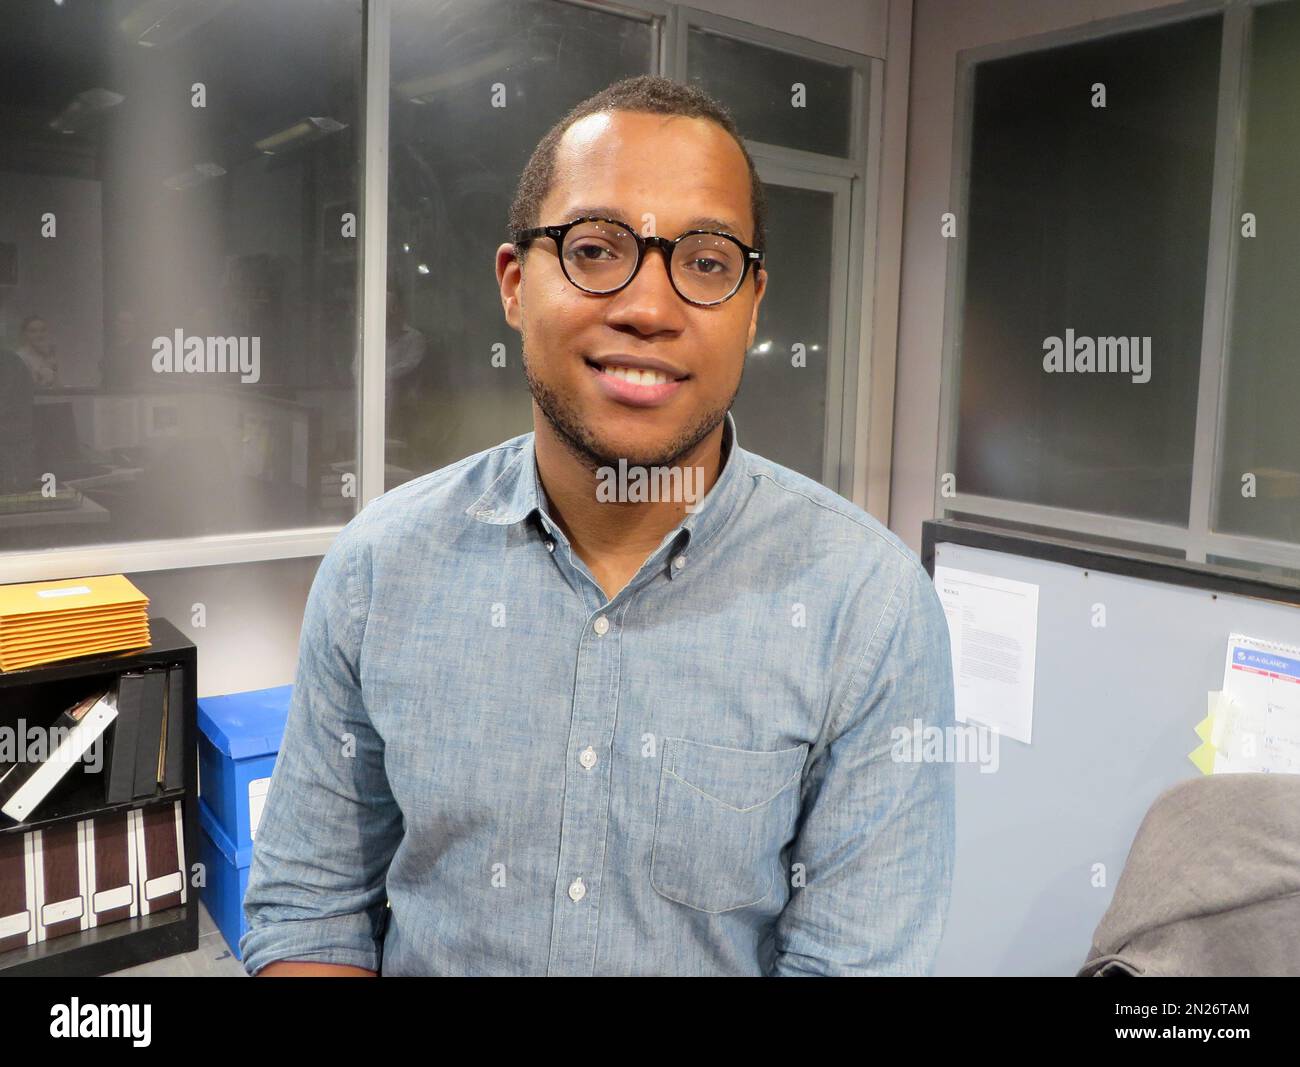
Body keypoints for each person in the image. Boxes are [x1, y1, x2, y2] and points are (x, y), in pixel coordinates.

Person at [241, 75, 955, 977]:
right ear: (513, 282)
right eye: (594, 248)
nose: (649, 308)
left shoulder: (868, 607)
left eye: (704, 261)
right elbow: (311, 908)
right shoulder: (380, 568)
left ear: (752, 305)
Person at [15, 316, 58, 388]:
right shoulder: (19, 357)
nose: (39, 335)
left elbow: (57, 385)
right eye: (33, 331)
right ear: (24, 334)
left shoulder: (49, 356)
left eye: (43, 330)